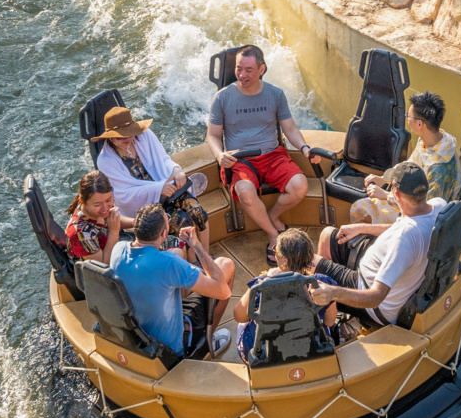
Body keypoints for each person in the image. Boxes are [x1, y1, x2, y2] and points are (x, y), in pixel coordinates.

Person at [308, 160, 446, 329]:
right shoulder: (439, 206)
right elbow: (406, 226)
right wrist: (361, 228)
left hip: (375, 304)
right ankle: (331, 306)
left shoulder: (404, 239)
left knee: (308, 263)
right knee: (328, 234)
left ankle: (327, 319)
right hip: (377, 269)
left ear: (396, 194)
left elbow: (375, 297)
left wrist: (332, 292)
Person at [207, 45, 311, 258]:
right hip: (241, 160)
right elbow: (212, 135)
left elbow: (289, 128)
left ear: (262, 69)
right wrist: (220, 155)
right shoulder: (222, 97)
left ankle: (273, 215)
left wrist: (304, 147)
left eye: (248, 70)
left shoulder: (276, 94)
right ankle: (274, 235)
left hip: (273, 154)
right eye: (238, 69)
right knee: (245, 191)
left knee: (300, 186)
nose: (242, 75)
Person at [109, 204, 237, 358]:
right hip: (170, 349)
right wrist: (196, 246)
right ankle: (205, 344)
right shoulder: (169, 263)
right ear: (164, 234)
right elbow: (222, 291)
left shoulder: (117, 249)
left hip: (138, 336)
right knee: (226, 265)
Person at [93, 105, 211, 259]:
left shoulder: (145, 135)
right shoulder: (105, 160)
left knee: (198, 213)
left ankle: (207, 257)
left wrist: (176, 169)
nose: (127, 139)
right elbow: (124, 194)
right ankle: (193, 267)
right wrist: (158, 188)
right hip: (145, 207)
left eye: (130, 133)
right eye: (120, 137)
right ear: (109, 138)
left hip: (169, 191)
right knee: (182, 222)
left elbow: (163, 159)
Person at [349, 91, 461, 228]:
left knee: (359, 208)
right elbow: (409, 165)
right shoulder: (436, 139)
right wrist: (385, 178)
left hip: (423, 221)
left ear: (420, 124)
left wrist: (387, 196)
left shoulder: (439, 167)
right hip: (413, 197)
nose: (406, 119)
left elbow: (427, 210)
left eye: (408, 116)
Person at [228, 227, 336, 362]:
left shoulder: (261, 286)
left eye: (275, 251)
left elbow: (238, 316)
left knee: (243, 324)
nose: (274, 254)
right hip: (311, 351)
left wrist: (266, 278)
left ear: (284, 260)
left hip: (266, 356)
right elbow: (330, 321)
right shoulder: (322, 283)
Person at [65, 171, 126, 261]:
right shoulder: (81, 233)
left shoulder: (97, 205)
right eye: (97, 205)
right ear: (82, 201)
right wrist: (114, 232)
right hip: (99, 270)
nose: (105, 208)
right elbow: (103, 267)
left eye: (109, 200)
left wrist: (136, 222)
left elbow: (114, 219)